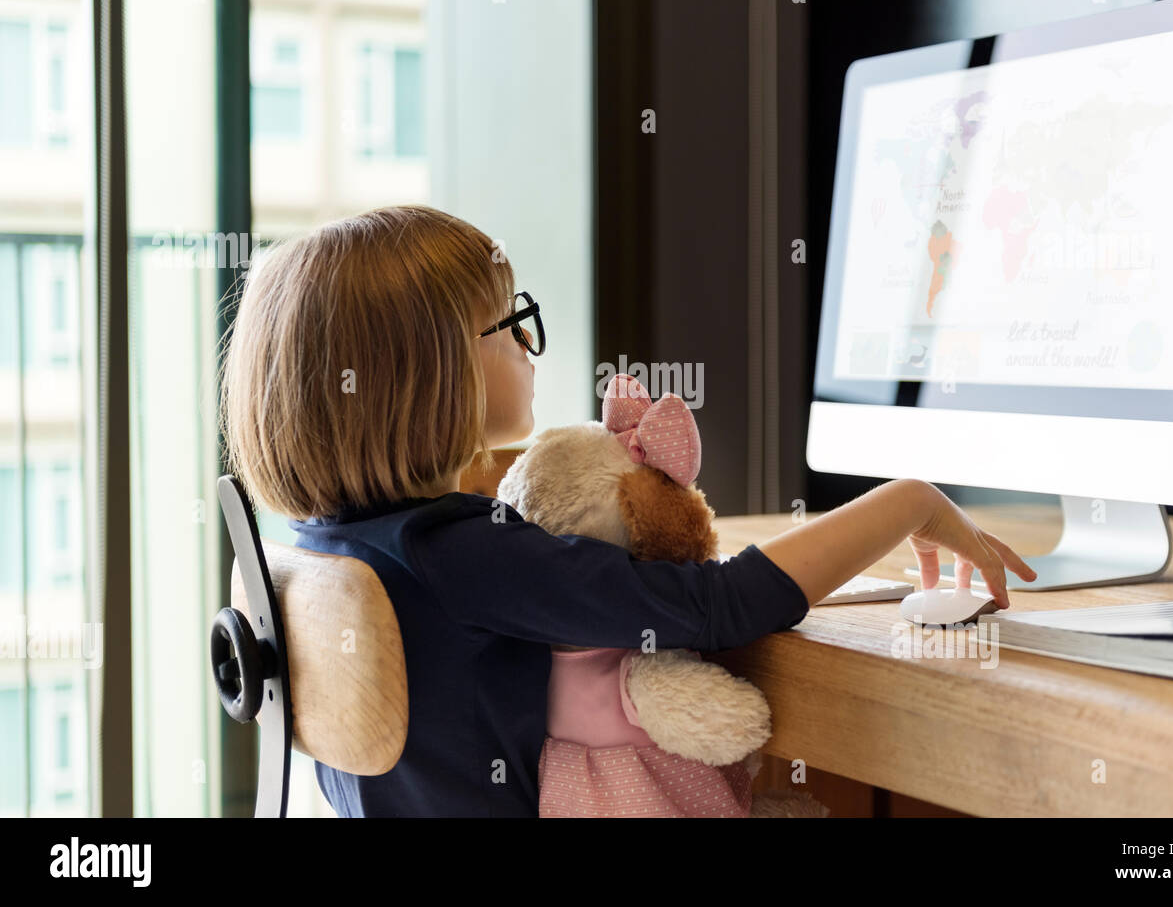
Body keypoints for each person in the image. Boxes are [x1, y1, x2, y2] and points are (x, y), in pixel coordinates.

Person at [219, 204, 1037, 816]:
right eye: (510, 326)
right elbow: (716, 607)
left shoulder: (328, 546)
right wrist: (907, 499)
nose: (530, 346)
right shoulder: (462, 554)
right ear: (431, 377)